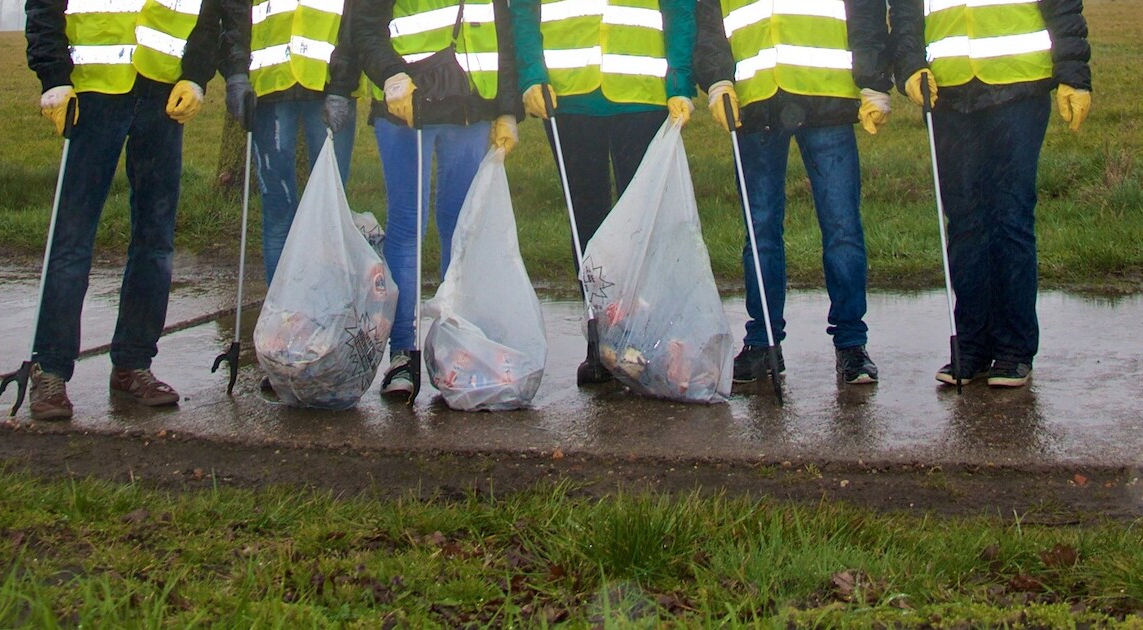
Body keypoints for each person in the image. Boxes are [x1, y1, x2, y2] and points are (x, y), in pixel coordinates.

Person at [24, 0, 237, 419]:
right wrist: (53, 77)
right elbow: (44, 7)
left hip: (161, 95)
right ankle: (49, 370)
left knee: (155, 240)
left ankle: (133, 364)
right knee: (71, 236)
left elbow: (210, 13)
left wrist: (195, 76)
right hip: (93, 92)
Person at [890, 0, 1091, 388]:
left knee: (1010, 218)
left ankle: (1014, 349)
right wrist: (910, 66)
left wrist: (1074, 75)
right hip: (949, 93)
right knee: (965, 223)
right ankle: (972, 346)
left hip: (1019, 87)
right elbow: (905, 12)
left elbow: (1064, 7)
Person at [694, 0, 890, 386]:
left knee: (842, 227)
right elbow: (709, 16)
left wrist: (874, 81)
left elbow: (865, 10)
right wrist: (718, 80)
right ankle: (763, 342)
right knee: (760, 230)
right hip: (756, 99)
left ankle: (851, 344)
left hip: (827, 94)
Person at [510, 0, 697, 386]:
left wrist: (679, 79)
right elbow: (523, 10)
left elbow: (681, 8)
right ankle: (600, 339)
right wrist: (531, 74)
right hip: (568, 95)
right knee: (586, 222)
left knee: (642, 226)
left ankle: (642, 340)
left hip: (641, 93)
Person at [353, 0, 521, 397]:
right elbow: (364, 24)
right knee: (407, 227)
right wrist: (391, 74)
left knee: (461, 227)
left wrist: (507, 110)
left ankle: (456, 349)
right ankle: (403, 354)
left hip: (470, 107)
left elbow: (504, 32)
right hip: (406, 104)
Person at [222, 0, 364, 285]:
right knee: (277, 209)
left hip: (329, 86)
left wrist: (342, 85)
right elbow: (233, 14)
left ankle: (323, 309)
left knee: (329, 208)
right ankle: (281, 314)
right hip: (270, 86)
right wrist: (235, 72)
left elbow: (357, 20)